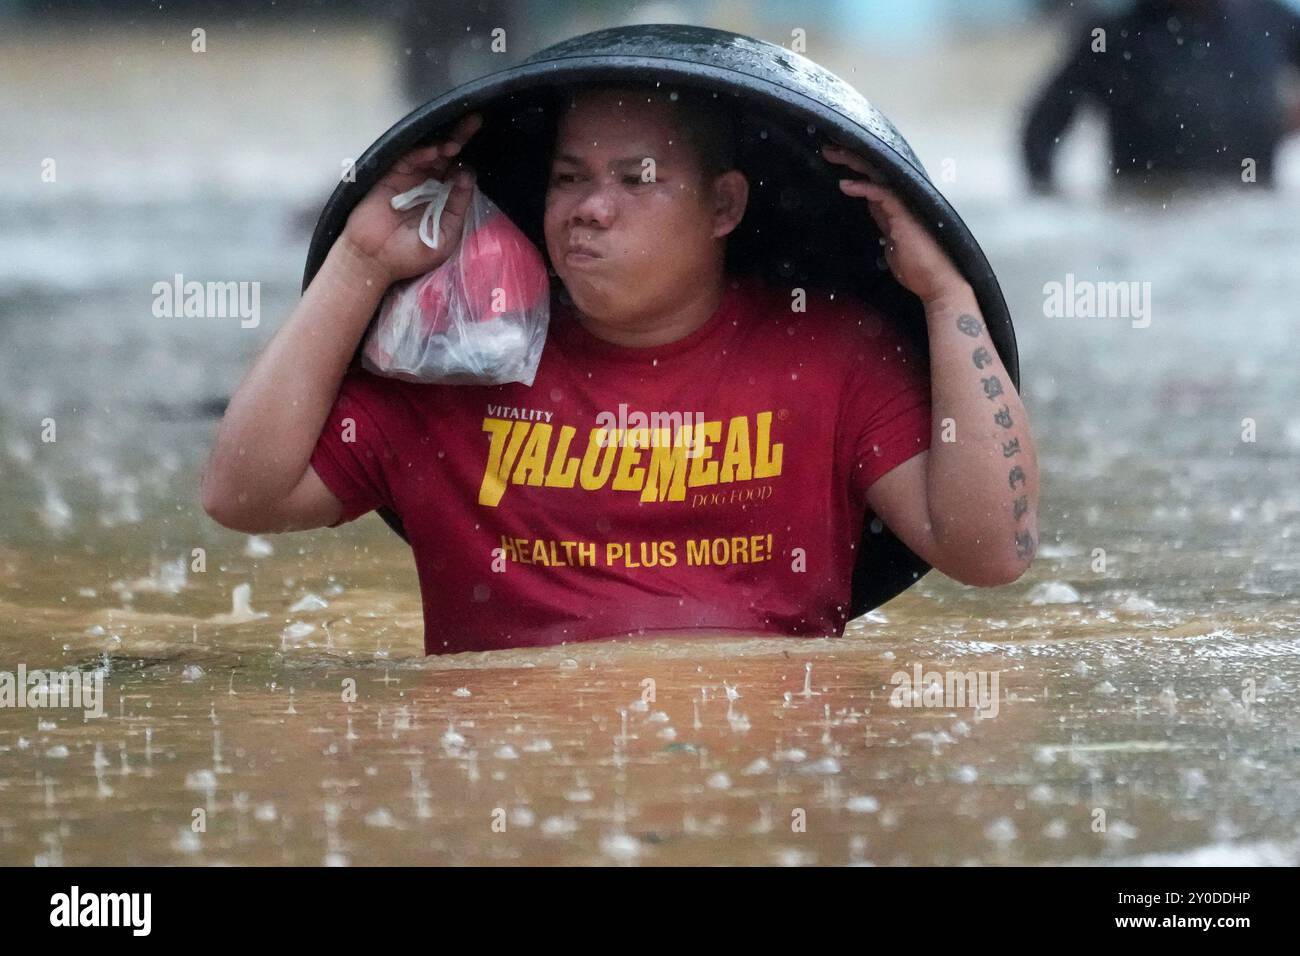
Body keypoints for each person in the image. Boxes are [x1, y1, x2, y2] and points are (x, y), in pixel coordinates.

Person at [202, 83, 1039, 654]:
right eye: (569, 178)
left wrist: (944, 289)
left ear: (724, 207)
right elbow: (243, 494)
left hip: (757, 788)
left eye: (635, 178)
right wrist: (358, 260)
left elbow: (993, 551)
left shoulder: (830, 353)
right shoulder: (460, 366)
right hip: (511, 784)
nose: (588, 207)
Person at [1022, 0, 1300, 191]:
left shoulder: (1267, 21)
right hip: (1149, 227)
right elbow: (1039, 133)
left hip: (1254, 218)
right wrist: (1056, 212)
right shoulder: (1112, 37)